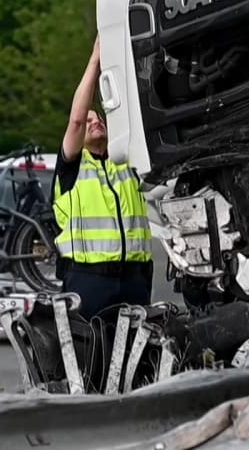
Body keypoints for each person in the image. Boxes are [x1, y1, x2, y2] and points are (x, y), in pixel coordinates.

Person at [51, 38, 154, 320]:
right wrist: (96, 60)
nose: (95, 121)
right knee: (92, 347)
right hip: (90, 279)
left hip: (135, 278)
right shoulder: (71, 166)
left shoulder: (126, 160)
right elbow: (76, 119)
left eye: (99, 119)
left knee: (136, 348)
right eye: (89, 121)